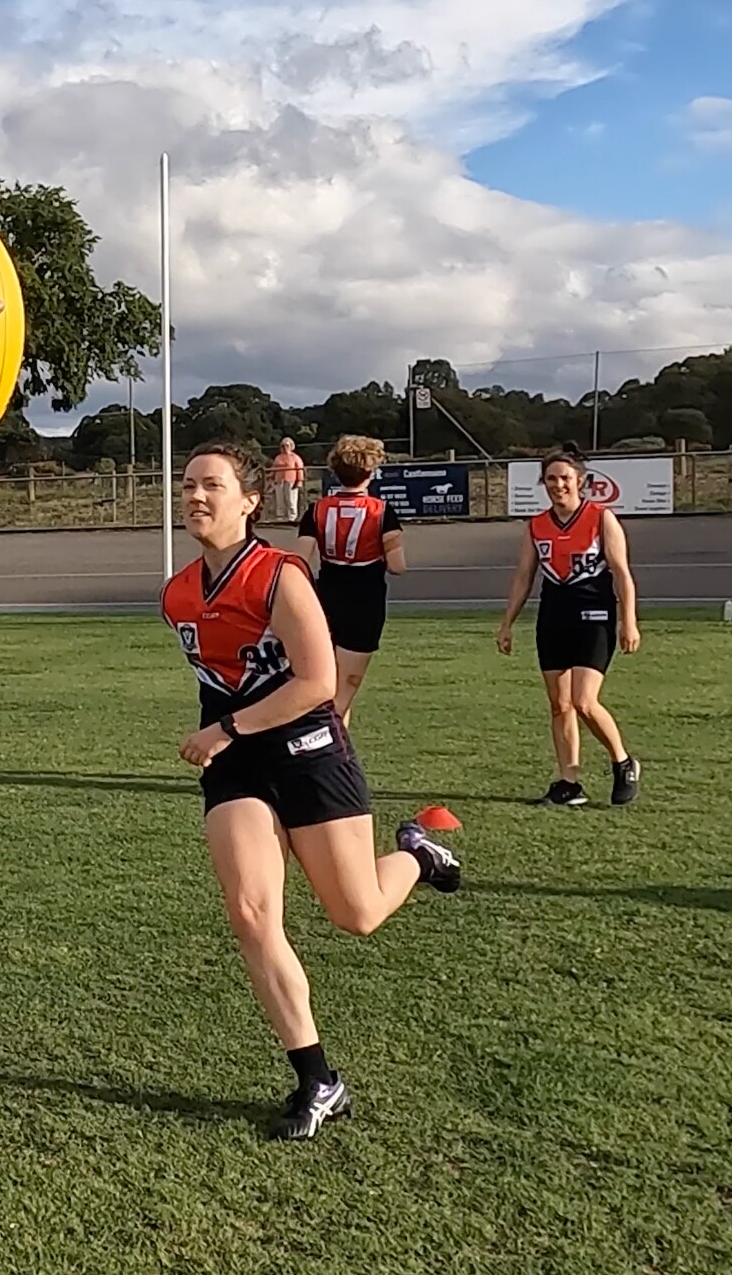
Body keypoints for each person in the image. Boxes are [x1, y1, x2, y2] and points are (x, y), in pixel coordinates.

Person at [163, 443, 461, 1141]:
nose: (196, 496)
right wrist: (227, 736)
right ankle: (318, 1079)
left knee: (354, 913)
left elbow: (317, 682)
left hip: (307, 752)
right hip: (237, 765)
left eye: (212, 485)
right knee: (250, 913)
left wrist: (227, 726)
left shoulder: (281, 576)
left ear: (249, 502)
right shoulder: (175, 592)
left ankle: (416, 854)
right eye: (188, 486)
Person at [495, 448, 642, 807]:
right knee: (560, 705)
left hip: (594, 613)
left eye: (565, 478)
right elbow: (524, 576)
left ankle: (623, 762)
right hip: (554, 615)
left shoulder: (601, 518)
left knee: (584, 701)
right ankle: (568, 781)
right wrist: (507, 623)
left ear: (580, 481)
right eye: (551, 478)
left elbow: (621, 573)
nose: (558, 485)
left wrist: (629, 621)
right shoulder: (536, 526)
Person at [293, 435, 404, 727]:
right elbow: (397, 566)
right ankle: (323, 750)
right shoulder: (381, 511)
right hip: (365, 601)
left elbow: (299, 561)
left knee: (321, 682)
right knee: (346, 689)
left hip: (325, 596)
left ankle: (333, 748)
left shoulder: (316, 510)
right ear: (370, 471)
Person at [268, 436, 306, 523]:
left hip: (291, 481)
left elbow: (300, 469)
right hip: (279, 481)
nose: (285, 448)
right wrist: (270, 476)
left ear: (291, 446)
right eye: (283, 446)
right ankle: (280, 518)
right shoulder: (278, 457)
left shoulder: (295, 457)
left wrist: (299, 481)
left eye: (287, 445)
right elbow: (274, 468)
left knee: (291, 500)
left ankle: (292, 518)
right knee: (279, 500)